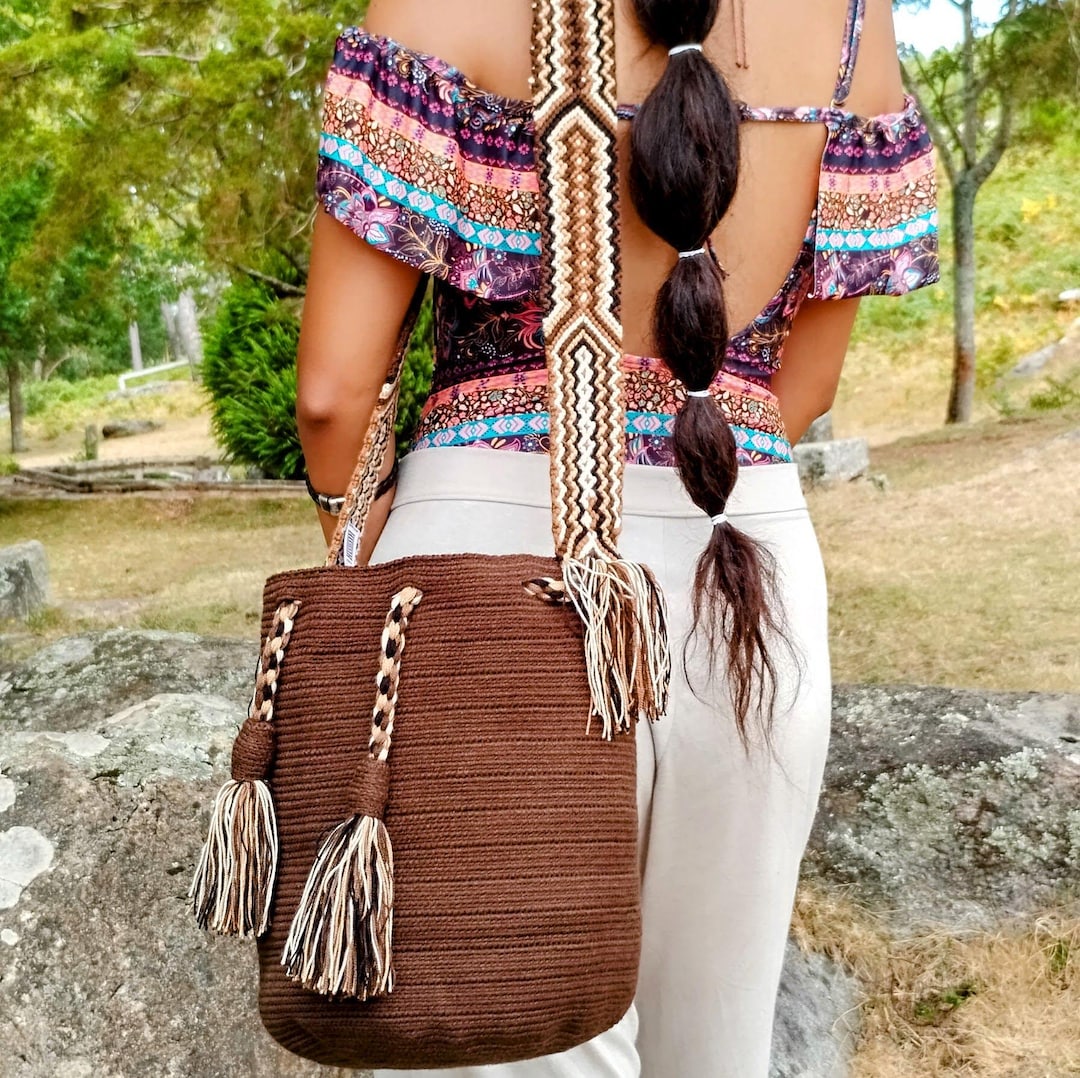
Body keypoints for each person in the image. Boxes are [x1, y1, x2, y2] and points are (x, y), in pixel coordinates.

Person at [295, 0, 938, 1074]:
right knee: (718, 1043)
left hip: (485, 570)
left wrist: (358, 562)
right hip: (751, 572)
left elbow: (333, 395)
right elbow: (806, 386)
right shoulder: (853, 22)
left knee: (508, 1035)